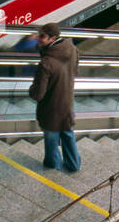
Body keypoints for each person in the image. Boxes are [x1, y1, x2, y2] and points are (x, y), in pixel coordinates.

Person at [28, 23, 80, 172]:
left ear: (53, 39)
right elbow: (75, 71)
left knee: (51, 141)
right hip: (67, 103)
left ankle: (53, 167)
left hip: (50, 110)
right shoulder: (72, 49)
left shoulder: (46, 64)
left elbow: (38, 94)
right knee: (68, 135)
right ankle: (74, 164)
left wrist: (31, 90)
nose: (38, 39)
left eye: (42, 36)